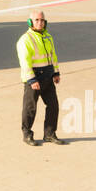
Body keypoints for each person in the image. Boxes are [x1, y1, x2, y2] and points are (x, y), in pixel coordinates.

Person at [18, 13, 66, 146]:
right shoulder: (25, 39)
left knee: (53, 106)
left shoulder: (48, 37)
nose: (40, 23)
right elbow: (25, 62)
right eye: (36, 20)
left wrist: (56, 73)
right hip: (34, 78)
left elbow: (53, 56)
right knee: (30, 108)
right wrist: (32, 80)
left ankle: (50, 134)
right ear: (30, 22)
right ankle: (27, 135)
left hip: (48, 77)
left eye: (42, 20)